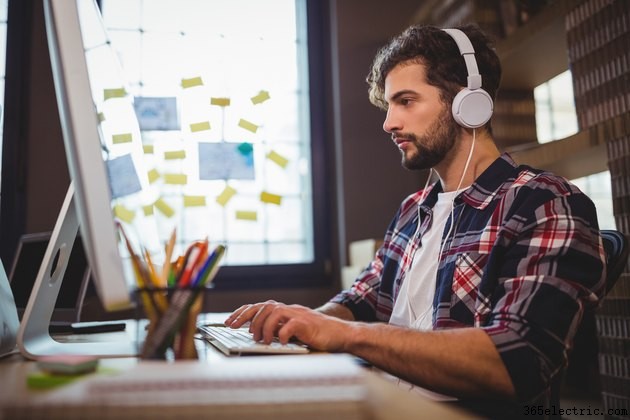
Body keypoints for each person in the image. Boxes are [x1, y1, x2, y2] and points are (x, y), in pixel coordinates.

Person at [225, 24, 606, 415]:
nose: (389, 123)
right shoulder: (414, 209)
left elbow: (519, 360)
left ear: (467, 102)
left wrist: (345, 334)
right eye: (389, 105)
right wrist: (298, 322)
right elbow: (360, 301)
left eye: (406, 101)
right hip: (383, 403)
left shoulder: (544, 201)